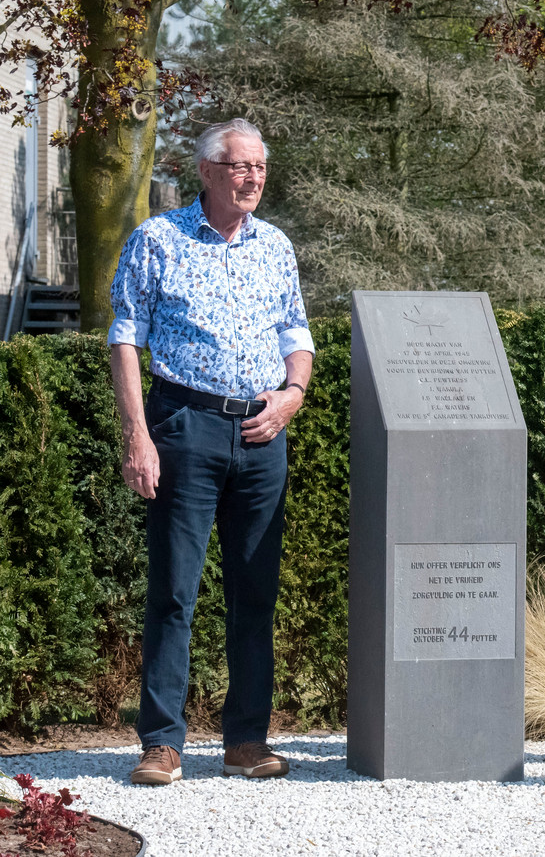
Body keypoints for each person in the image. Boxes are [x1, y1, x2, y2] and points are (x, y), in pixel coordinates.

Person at [108, 118, 314, 785]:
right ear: (205, 171)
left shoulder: (276, 246)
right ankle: (163, 742)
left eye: (258, 166)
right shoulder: (157, 240)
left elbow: (296, 329)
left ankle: (246, 741)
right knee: (175, 590)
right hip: (185, 427)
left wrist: (294, 394)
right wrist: (138, 435)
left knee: (254, 591)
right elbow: (125, 339)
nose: (251, 177)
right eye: (237, 166)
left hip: (262, 431)